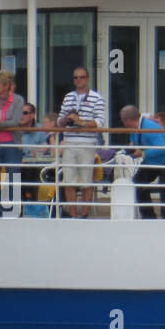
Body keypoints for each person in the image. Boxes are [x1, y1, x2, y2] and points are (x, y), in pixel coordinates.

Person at [57, 66, 105, 218]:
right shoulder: (68, 97)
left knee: (86, 181)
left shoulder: (97, 98)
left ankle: (84, 214)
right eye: (75, 77)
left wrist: (80, 122)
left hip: (87, 143)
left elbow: (99, 123)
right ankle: (72, 214)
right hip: (69, 142)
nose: (78, 80)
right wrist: (67, 119)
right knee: (68, 181)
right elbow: (59, 122)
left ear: (88, 78)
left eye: (82, 77)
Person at [119, 105, 165, 219]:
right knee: (138, 181)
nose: (123, 123)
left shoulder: (149, 126)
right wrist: (130, 149)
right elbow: (135, 143)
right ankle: (148, 217)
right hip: (153, 160)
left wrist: (143, 153)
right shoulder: (135, 128)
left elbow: (162, 147)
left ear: (129, 121)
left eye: (123, 121)